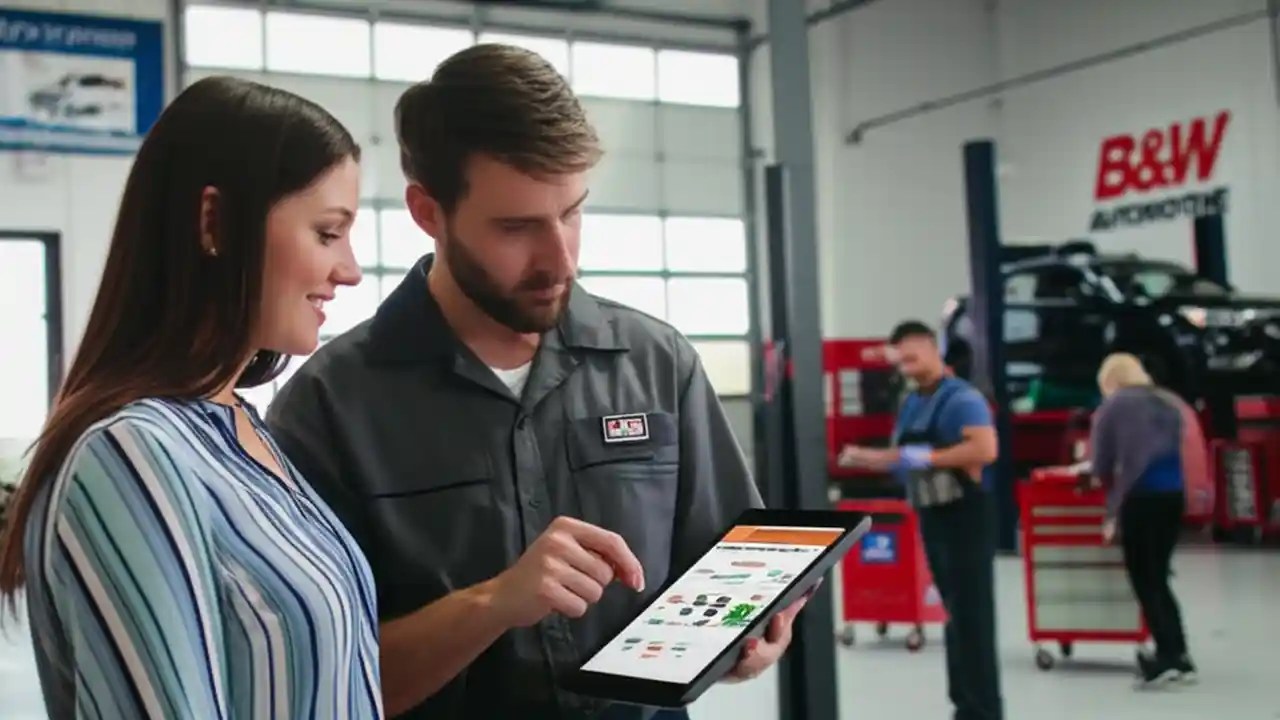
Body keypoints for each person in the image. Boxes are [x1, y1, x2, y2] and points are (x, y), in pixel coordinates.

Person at [265, 43, 801, 720]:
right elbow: (317, 685)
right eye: (517, 227)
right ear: (429, 213)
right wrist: (491, 605)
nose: (560, 258)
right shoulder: (330, 405)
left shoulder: (655, 363)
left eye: (572, 213)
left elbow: (723, 583)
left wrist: (748, 637)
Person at [0, 76, 382, 719]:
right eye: (326, 233)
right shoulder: (130, 454)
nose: (348, 269)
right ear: (216, 222)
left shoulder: (238, 433)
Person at [840, 320, 1003, 720]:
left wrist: (931, 458)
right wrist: (864, 456)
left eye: (914, 358)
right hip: (932, 513)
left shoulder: (961, 398)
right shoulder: (913, 402)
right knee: (953, 612)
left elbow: (985, 449)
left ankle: (984, 710)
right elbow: (902, 454)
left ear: (934, 350)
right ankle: (964, 705)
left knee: (972, 616)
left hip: (966, 514)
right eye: (902, 361)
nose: (908, 367)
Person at [1090, 352, 1197, 686]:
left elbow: (1101, 464)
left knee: (1144, 580)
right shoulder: (1168, 402)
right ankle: (1179, 654)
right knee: (1160, 577)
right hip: (1172, 496)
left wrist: (1102, 492)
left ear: (1110, 380)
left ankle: (1165, 658)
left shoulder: (1113, 406)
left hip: (1141, 499)